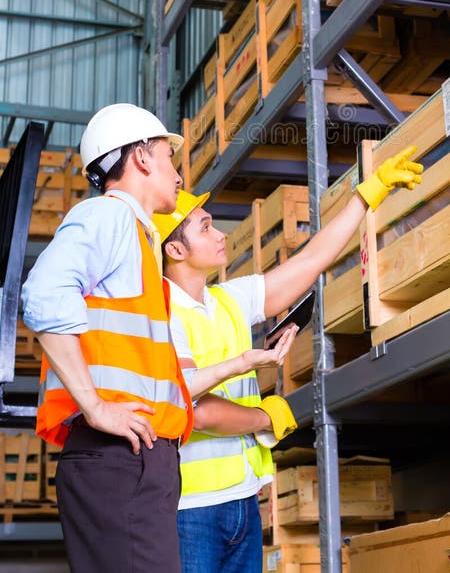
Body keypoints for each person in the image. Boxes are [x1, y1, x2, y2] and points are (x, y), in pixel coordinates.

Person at [21, 103, 296, 573]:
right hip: (118, 454)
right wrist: (96, 406)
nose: (178, 175)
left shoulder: (138, 243)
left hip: (136, 458)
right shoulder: (109, 217)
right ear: (142, 158)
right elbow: (43, 293)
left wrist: (242, 362)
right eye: (169, 158)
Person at [153, 144, 423, 573]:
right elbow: (194, 409)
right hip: (192, 508)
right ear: (176, 251)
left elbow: (312, 260)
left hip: (244, 498)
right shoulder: (161, 314)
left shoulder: (229, 300)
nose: (220, 234)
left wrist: (367, 193)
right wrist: (265, 418)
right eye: (205, 228)